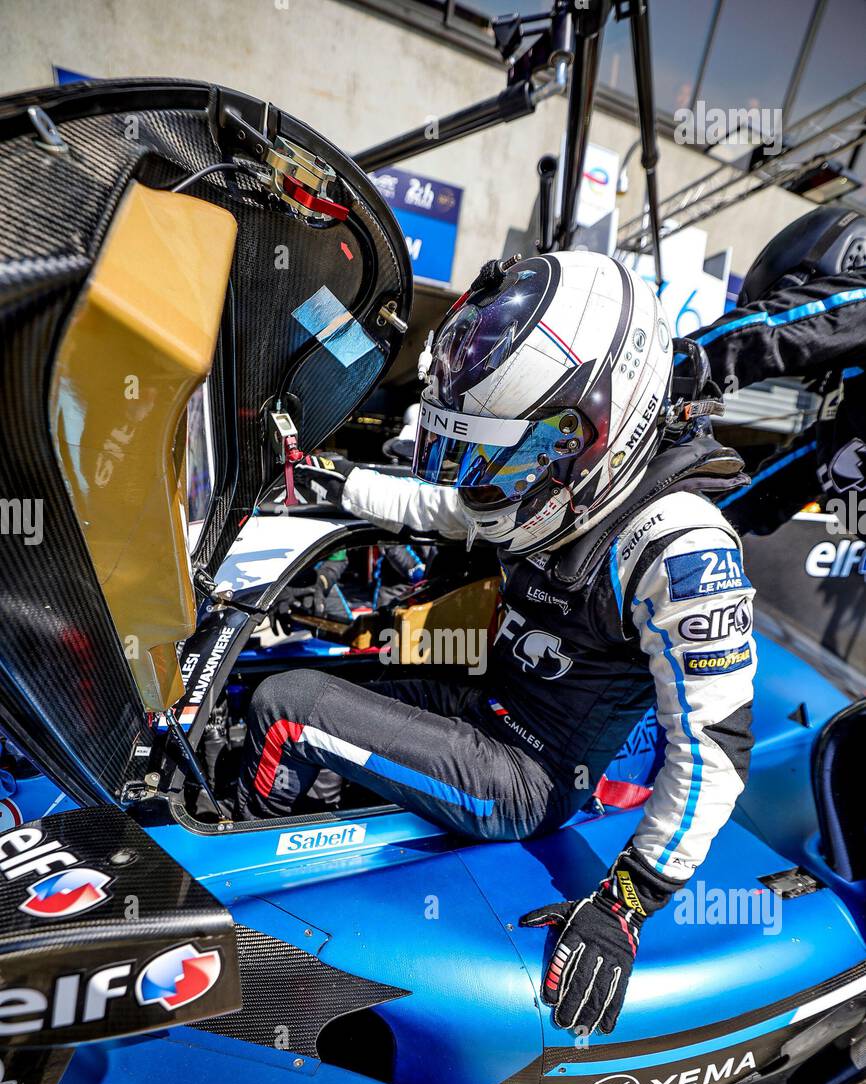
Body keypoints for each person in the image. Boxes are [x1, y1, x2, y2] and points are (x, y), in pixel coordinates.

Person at [237, 250, 756, 1036]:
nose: (484, 476)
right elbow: (447, 506)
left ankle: (215, 909)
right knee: (281, 674)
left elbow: (715, 747)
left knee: (283, 709)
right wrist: (327, 482)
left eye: (500, 455)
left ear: (596, 430)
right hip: (481, 703)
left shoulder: (678, 542)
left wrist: (627, 903)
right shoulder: (550, 478)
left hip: (527, 775)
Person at [687, 206, 866, 535]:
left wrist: (664, 369)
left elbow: (772, 330)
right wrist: (700, 526)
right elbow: (780, 483)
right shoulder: (842, 409)